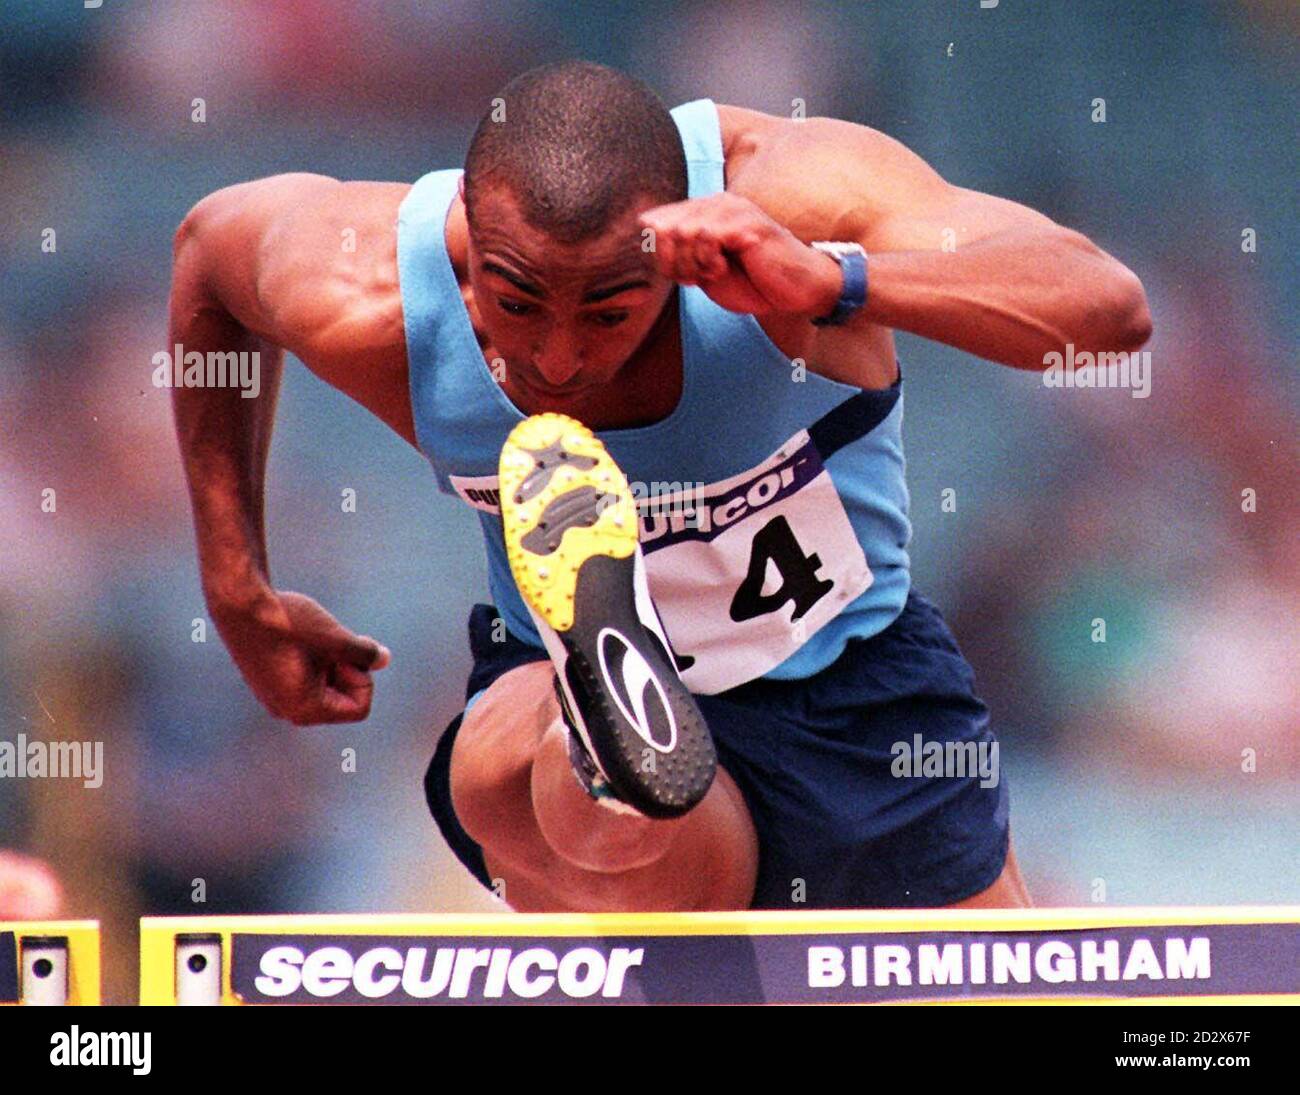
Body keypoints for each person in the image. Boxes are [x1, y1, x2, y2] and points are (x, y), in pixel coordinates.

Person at [168, 61, 1150, 912]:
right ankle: (603, 724)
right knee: (558, 798)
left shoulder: (792, 192)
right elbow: (208, 254)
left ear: (670, 257)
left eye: (609, 308)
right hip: (562, 711)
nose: (558, 360)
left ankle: (605, 735)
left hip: (863, 707)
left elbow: (1105, 308)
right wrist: (237, 589)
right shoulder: (367, 287)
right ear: (465, 244)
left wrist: (835, 281)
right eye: (517, 305)